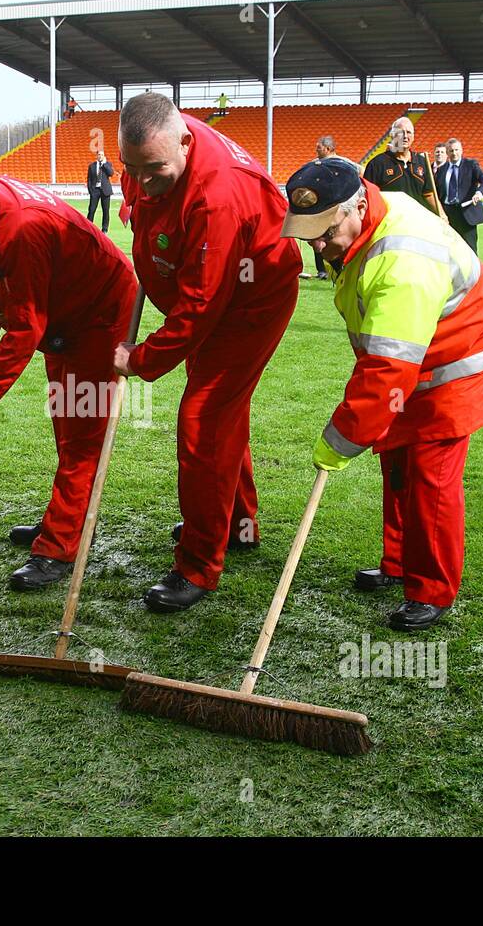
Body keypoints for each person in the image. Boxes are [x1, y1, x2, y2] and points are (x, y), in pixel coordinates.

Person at [280, 159, 483, 631]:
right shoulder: (370, 219)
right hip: (414, 355)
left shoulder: (405, 261)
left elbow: (387, 374)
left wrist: (338, 442)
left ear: (357, 205)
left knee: (431, 475)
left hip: (455, 361)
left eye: (325, 232)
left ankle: (431, 590)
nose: (317, 247)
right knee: (397, 461)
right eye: (309, 234)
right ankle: (398, 561)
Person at [115, 92, 302, 612]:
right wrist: (140, 199)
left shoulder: (218, 197)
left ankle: (199, 564)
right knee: (221, 416)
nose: (143, 182)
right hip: (206, 291)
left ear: (185, 140)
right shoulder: (153, 145)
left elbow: (202, 305)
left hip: (248, 303)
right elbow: (144, 194)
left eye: (154, 171)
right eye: (133, 170)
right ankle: (236, 524)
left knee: (202, 421)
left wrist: (141, 359)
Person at [0, 163, 138, 591]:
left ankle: (59, 546)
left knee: (82, 435)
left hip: (98, 317)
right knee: (66, 427)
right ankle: (63, 517)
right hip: (63, 314)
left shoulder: (21, 229)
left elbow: (25, 327)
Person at [362, 117, 438, 214]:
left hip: (418, 221)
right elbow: (369, 198)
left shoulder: (423, 162)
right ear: (393, 136)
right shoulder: (376, 164)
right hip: (390, 223)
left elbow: (429, 195)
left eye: (409, 132)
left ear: (413, 136)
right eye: (401, 132)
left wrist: (442, 216)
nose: (405, 136)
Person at [310, 135, 359, 280]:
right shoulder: (315, 164)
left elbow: (361, 173)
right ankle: (322, 270)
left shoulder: (344, 163)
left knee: (337, 237)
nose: (316, 150)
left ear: (328, 148)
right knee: (317, 238)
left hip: (339, 210)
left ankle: (340, 267)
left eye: (318, 148)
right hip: (320, 209)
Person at [437, 137, 483, 252]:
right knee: (449, 250)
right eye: (451, 151)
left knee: (470, 250)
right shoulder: (441, 170)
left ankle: (473, 271)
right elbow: (437, 193)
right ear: (447, 153)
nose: (454, 153)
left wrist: (479, 192)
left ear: (461, 151)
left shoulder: (471, 165)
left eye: (456, 150)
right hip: (448, 216)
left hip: (466, 214)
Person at [85, 149, 114, 233]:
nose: (100, 156)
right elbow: (89, 179)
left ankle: (104, 229)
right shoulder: (92, 166)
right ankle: (88, 227)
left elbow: (111, 173)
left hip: (105, 190)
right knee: (91, 209)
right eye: (99, 155)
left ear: (104, 156)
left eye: (102, 155)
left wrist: (104, 164)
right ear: (97, 156)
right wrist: (91, 190)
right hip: (95, 191)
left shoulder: (107, 164)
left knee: (106, 210)